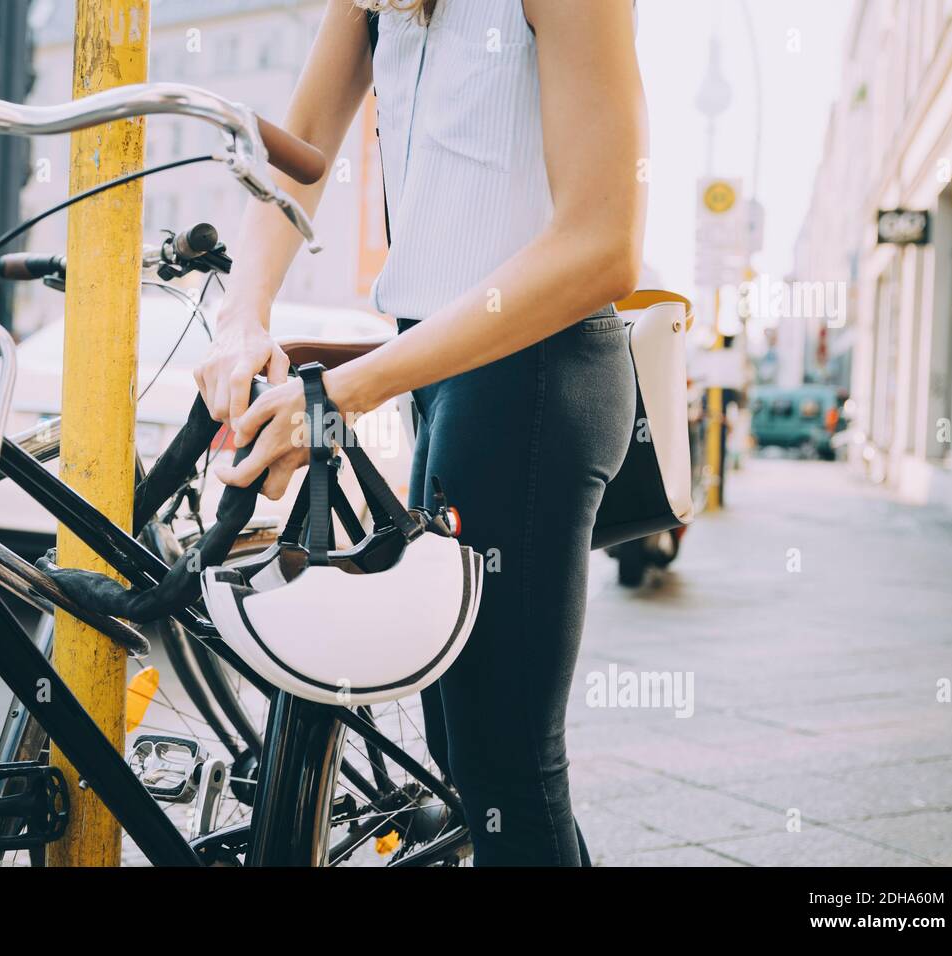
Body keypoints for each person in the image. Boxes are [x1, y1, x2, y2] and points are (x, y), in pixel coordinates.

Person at [197, 0, 647, 865]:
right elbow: (298, 147)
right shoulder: (376, 6)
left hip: (536, 370)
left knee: (505, 759)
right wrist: (242, 315)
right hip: (443, 373)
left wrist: (343, 393)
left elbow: (603, 240)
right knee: (468, 747)